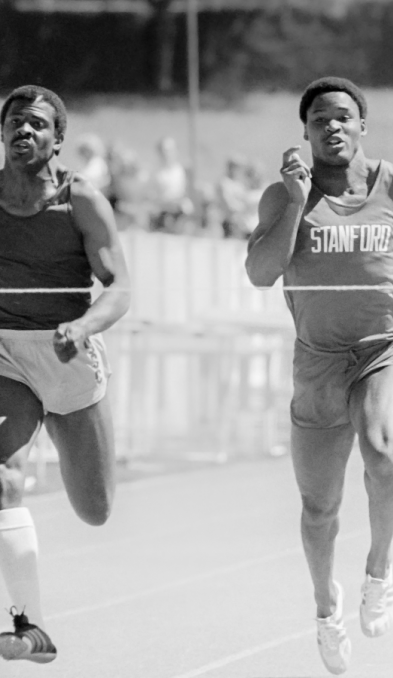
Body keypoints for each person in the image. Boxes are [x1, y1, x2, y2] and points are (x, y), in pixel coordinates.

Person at [244, 77, 393, 675]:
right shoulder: (283, 197)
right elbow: (260, 273)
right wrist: (295, 202)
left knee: (382, 453)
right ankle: (326, 608)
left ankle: (379, 569)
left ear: (361, 125)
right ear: (306, 133)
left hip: (381, 351)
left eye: (343, 117)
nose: (332, 127)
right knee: (319, 508)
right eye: (319, 120)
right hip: (317, 361)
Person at [0, 85, 132, 663]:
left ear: (58, 139)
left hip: (69, 353)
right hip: (5, 355)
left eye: (35, 125)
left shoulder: (81, 202)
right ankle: (31, 627)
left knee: (95, 509)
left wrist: (83, 328)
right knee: (4, 479)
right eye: (12, 123)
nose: (21, 132)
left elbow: (120, 289)